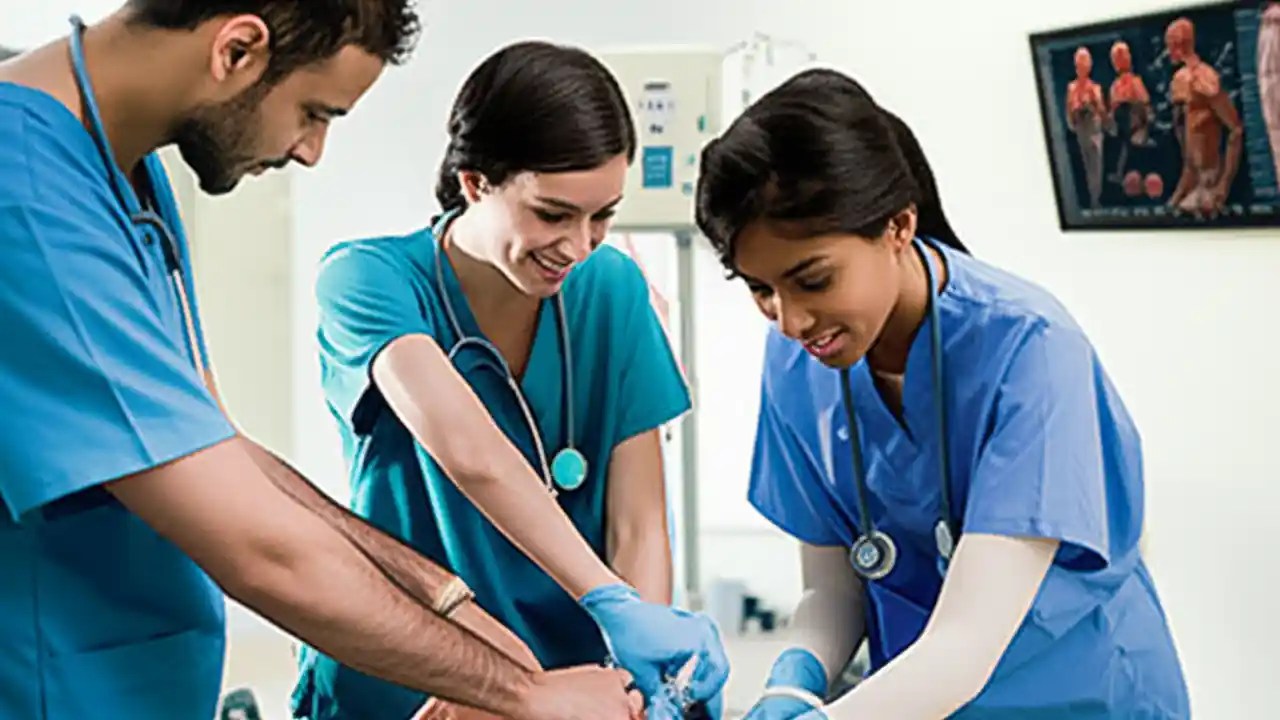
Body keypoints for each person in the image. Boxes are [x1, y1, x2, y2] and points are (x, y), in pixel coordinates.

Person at [0, 4, 644, 720]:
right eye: (315, 111)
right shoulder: (23, 192)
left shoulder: (126, 174)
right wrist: (519, 691)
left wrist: (452, 604)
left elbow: (220, 449)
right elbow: (259, 548)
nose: (312, 152)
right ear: (237, 49)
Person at [693, 67, 1191, 718]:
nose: (789, 319)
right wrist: (794, 682)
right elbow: (834, 586)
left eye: (811, 279)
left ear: (898, 226)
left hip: (1084, 697)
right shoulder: (797, 357)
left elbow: (966, 643)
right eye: (759, 289)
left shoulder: (1030, 351)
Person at [291, 40, 729, 720]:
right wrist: (602, 603)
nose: (579, 245)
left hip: (576, 687)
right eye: (553, 214)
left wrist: (641, 675)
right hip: (412, 673)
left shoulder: (611, 291)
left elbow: (639, 524)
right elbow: (470, 450)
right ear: (475, 183)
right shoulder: (368, 281)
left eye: (603, 216)